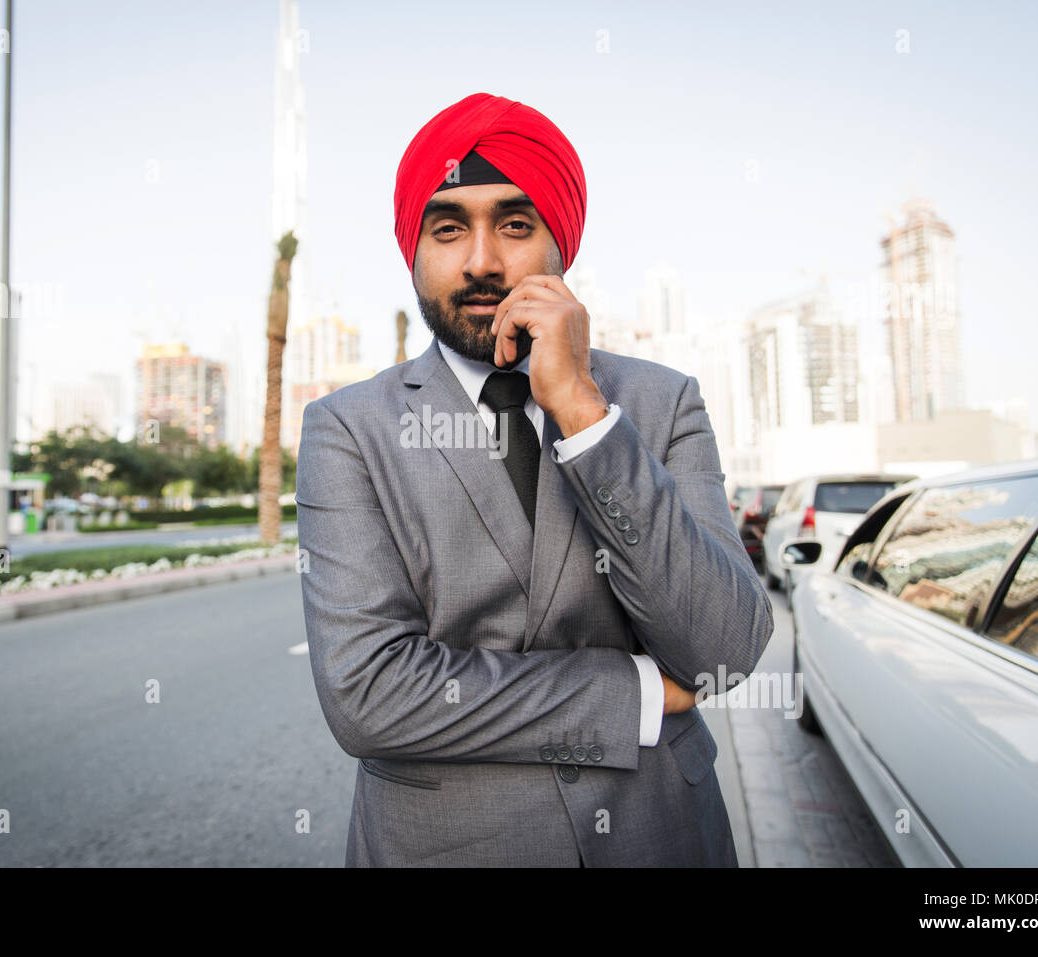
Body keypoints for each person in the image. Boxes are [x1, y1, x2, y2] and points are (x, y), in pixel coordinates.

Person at [296, 91, 774, 866]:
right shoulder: (349, 426)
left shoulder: (660, 400)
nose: (482, 260)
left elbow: (723, 646)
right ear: (413, 250)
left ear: (561, 243)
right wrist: (637, 694)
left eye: (515, 225)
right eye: (448, 227)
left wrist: (585, 413)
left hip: (664, 837)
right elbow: (369, 695)